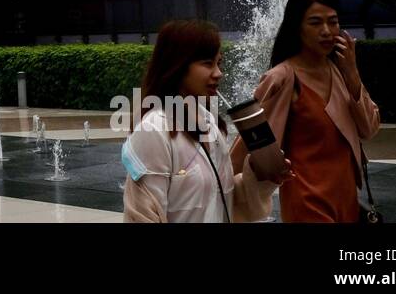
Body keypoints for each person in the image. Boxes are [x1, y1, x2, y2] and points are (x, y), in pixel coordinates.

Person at [230, 0, 381, 223]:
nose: (326, 31)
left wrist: (352, 75)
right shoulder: (281, 78)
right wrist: (222, 188)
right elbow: (250, 138)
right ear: (296, 28)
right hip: (307, 200)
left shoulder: (341, 72)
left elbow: (369, 129)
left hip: (348, 197)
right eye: (315, 23)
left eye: (333, 22)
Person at [122, 21, 287, 222]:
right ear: (177, 65)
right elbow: (143, 215)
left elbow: (224, 200)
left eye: (219, 63)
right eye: (207, 63)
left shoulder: (210, 123)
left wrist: (261, 174)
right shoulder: (153, 130)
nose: (218, 73)